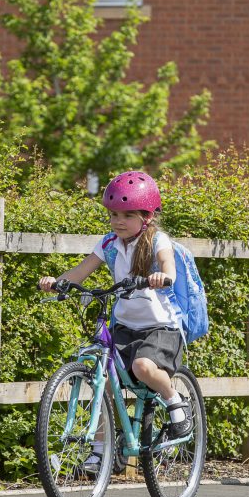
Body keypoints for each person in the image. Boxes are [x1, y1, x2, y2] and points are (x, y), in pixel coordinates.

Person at [39, 171, 193, 457]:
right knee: (104, 382)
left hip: (159, 328)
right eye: (113, 215)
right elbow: (82, 270)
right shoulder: (109, 244)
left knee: (143, 368)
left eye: (127, 215)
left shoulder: (157, 240)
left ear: (146, 216)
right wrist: (57, 282)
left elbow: (167, 264)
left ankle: (174, 400)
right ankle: (100, 451)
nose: (118, 221)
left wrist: (162, 277)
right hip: (124, 325)